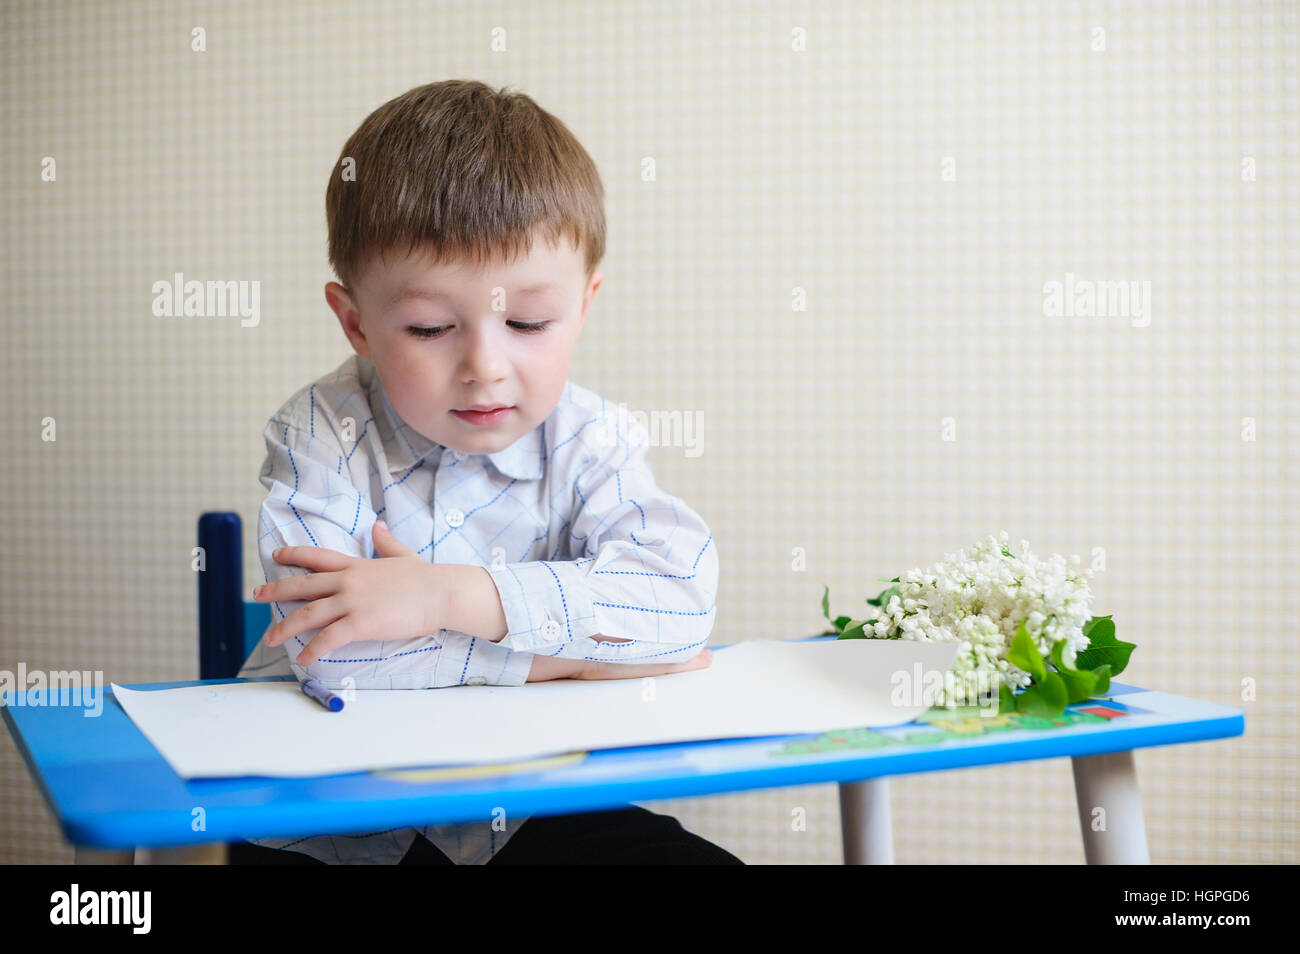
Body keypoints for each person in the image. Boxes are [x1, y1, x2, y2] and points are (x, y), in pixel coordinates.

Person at [227, 79, 740, 865]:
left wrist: (449, 596)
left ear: (585, 305)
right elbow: (335, 656)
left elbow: (679, 601)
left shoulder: (592, 438)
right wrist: (584, 659)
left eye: (529, 322)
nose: (486, 369)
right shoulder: (321, 430)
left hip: (530, 804)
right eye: (431, 327)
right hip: (328, 818)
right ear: (356, 321)